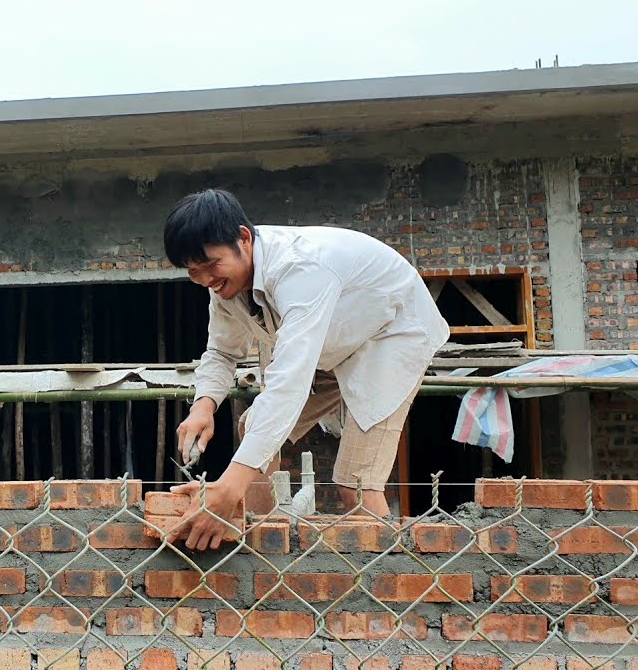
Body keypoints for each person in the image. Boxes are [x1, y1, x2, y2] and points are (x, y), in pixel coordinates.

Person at [163, 189, 449, 551]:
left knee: (356, 482)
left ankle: (394, 577)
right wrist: (203, 406)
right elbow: (221, 351)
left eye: (211, 264)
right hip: (332, 341)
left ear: (244, 239)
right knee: (253, 425)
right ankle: (262, 547)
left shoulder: (299, 269)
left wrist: (229, 486)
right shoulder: (224, 286)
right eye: (193, 272)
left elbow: (288, 385)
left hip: (390, 335)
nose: (205, 279)